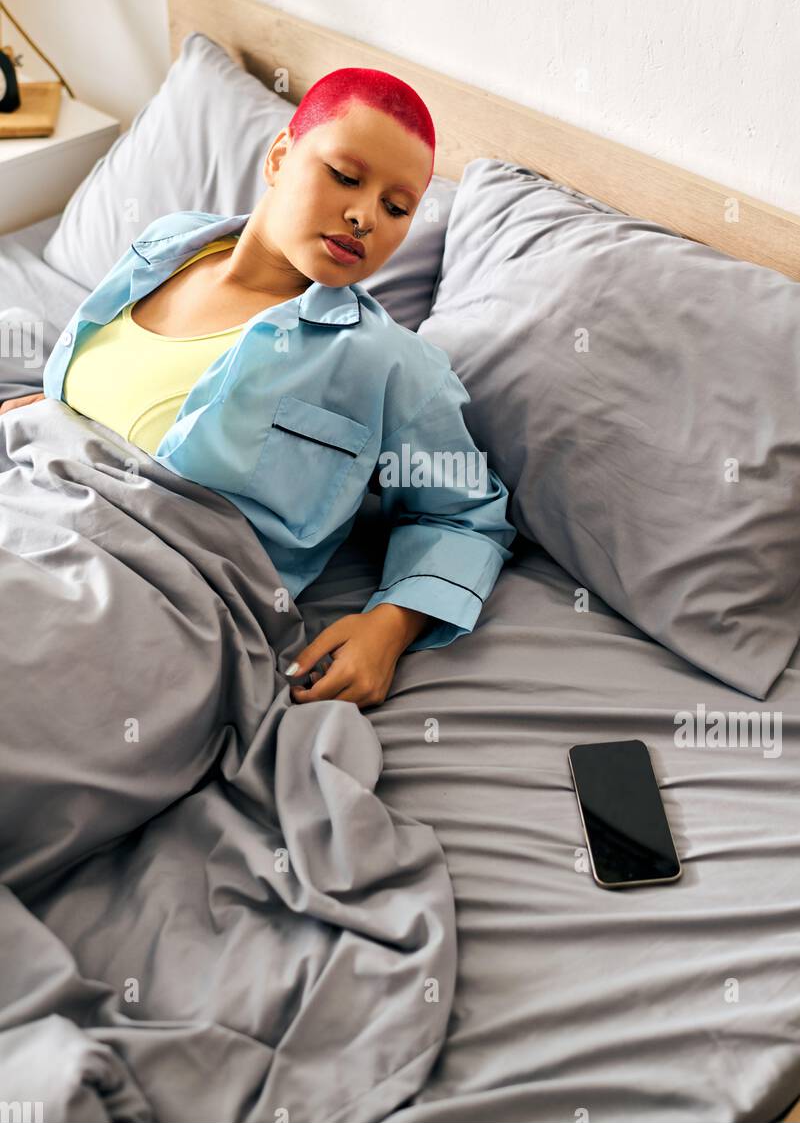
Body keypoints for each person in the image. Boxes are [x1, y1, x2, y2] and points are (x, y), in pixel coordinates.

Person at [0, 67, 517, 708]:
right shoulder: (166, 245)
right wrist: (47, 417)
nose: (363, 217)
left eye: (396, 207)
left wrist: (389, 627)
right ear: (279, 156)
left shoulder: (385, 362)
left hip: (153, 599)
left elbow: (467, 517)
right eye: (346, 177)